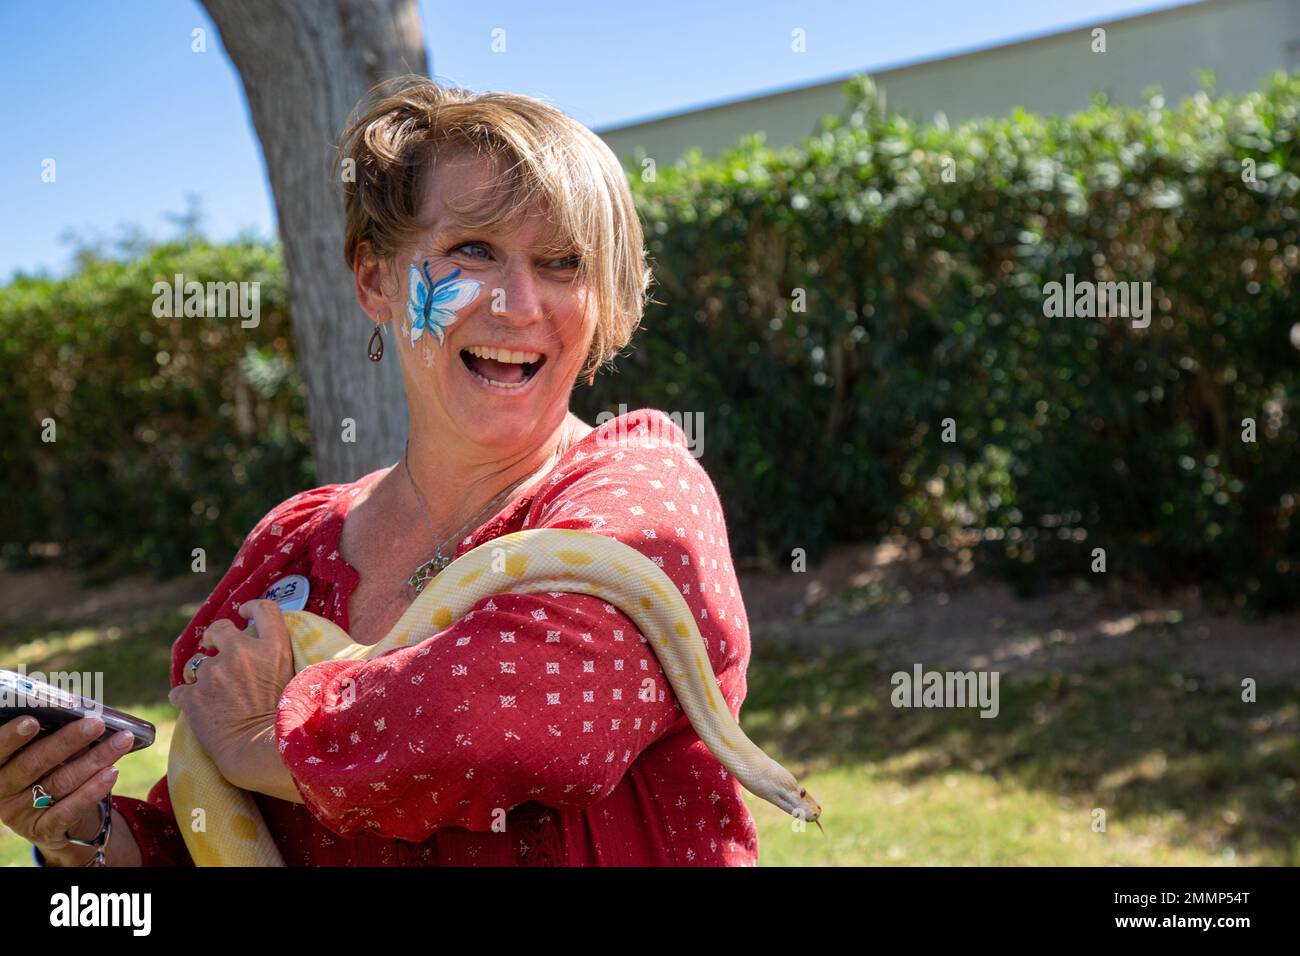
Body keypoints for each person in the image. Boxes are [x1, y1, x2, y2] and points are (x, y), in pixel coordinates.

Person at [2, 78, 759, 866]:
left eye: (564, 263)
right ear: (376, 281)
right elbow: (203, 836)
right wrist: (79, 832)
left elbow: (507, 729)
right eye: (473, 249)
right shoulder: (289, 551)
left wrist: (257, 739)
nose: (518, 302)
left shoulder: (638, 494)